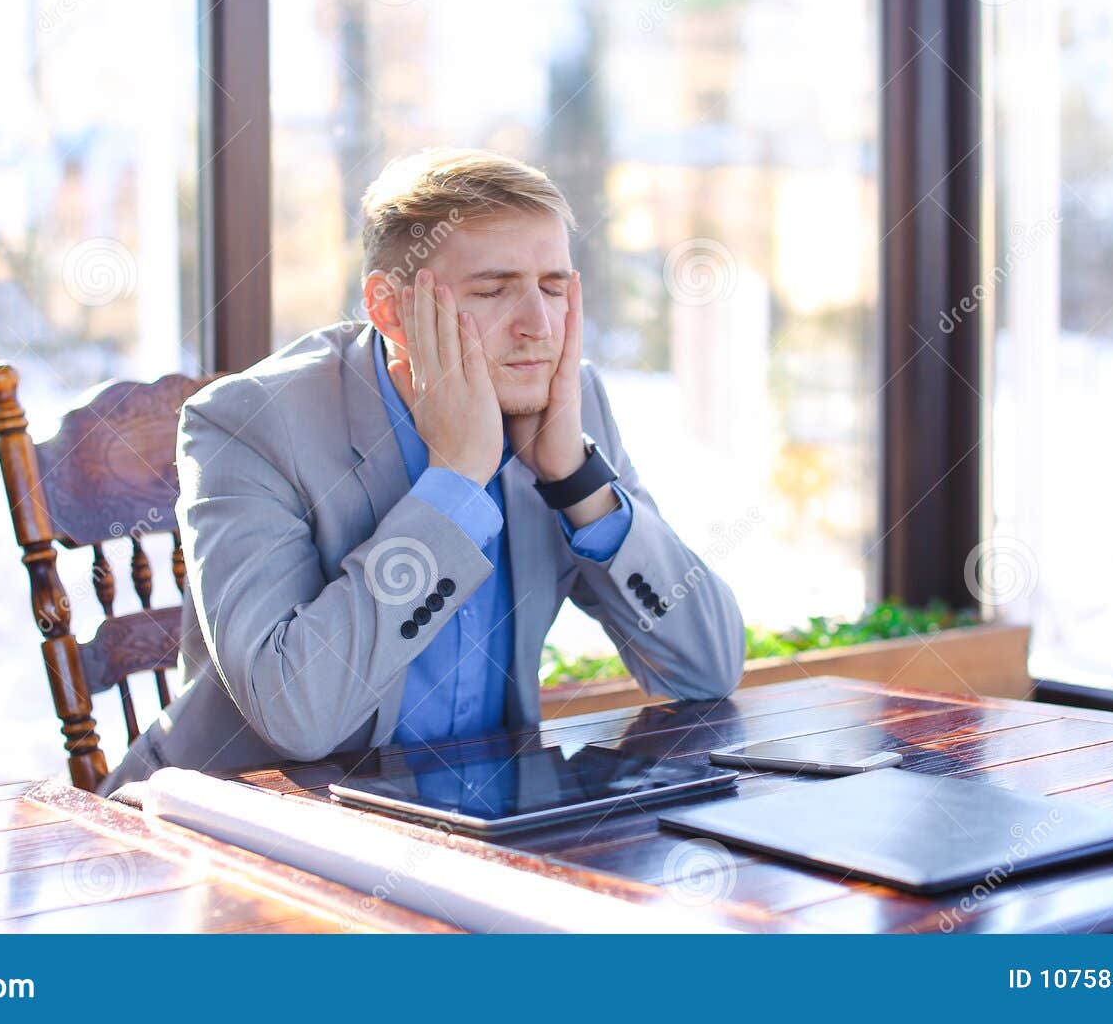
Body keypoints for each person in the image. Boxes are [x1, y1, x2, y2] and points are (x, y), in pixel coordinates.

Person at [101, 148, 744, 792]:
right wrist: (454, 483)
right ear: (388, 309)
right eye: (493, 290)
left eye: (554, 287)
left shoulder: (568, 407)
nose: (538, 327)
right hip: (227, 830)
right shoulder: (250, 424)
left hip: (466, 823)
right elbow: (297, 715)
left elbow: (707, 670)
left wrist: (575, 480)